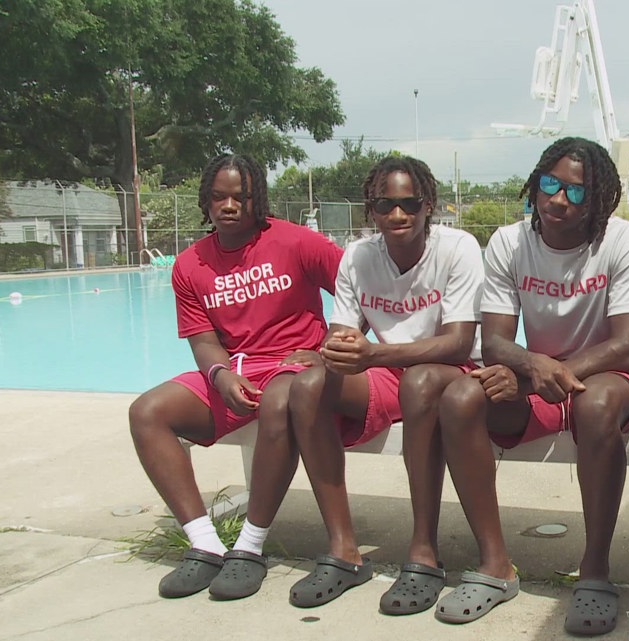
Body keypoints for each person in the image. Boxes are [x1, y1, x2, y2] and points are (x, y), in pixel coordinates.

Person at [433, 137, 629, 634]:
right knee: (461, 396)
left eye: (576, 192)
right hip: (537, 374)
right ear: (535, 185)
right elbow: (492, 341)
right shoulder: (509, 242)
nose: (558, 199)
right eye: (550, 184)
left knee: (597, 404)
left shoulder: (622, 241)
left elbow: (628, 345)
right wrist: (534, 367)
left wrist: (544, 373)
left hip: (607, 376)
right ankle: (495, 565)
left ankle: (595, 570)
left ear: (599, 201)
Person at [128, 153, 344, 600]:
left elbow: (363, 289)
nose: (229, 206)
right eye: (219, 196)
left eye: (241, 197)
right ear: (206, 201)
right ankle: (205, 545)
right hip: (236, 372)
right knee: (147, 412)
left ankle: (249, 547)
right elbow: (204, 342)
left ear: (257, 200)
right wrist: (221, 375)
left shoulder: (297, 241)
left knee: (279, 400)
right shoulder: (190, 265)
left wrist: (332, 350)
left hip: (292, 368)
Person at [284, 156, 485, 611]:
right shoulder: (358, 255)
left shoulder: (458, 248)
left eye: (410, 203)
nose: (398, 215)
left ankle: (423, 550)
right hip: (392, 371)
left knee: (419, 383)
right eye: (385, 204)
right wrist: (329, 353)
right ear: (370, 209)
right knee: (307, 387)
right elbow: (343, 332)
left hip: (453, 374)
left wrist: (371, 353)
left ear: (428, 204)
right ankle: (344, 551)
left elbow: (458, 343)